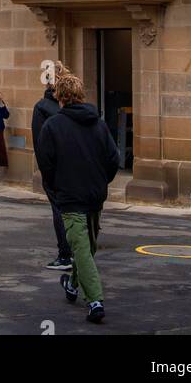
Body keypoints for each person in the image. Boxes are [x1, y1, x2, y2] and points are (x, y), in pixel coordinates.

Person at [35, 72, 120, 324]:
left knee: (84, 248)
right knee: (86, 247)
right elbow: (113, 159)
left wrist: (57, 188)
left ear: (59, 97)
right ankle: (73, 286)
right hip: (94, 195)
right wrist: (101, 181)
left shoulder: (52, 126)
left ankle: (95, 300)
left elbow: (46, 164)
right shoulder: (99, 123)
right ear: (81, 95)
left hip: (71, 197)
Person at [31, 62, 73, 269]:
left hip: (57, 171)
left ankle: (66, 254)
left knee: (60, 210)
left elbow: (40, 146)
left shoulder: (42, 107)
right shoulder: (80, 108)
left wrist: (47, 175)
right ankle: (81, 252)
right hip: (78, 169)